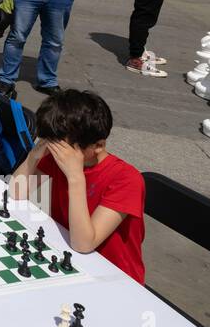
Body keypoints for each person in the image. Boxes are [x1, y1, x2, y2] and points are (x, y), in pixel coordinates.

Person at [10, 90, 145, 283]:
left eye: (62, 148)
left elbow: (84, 243)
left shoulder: (127, 179)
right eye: (51, 144)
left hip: (114, 277)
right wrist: (35, 155)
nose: (56, 153)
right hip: (67, 258)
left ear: (98, 145)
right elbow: (16, 192)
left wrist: (75, 177)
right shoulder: (56, 155)